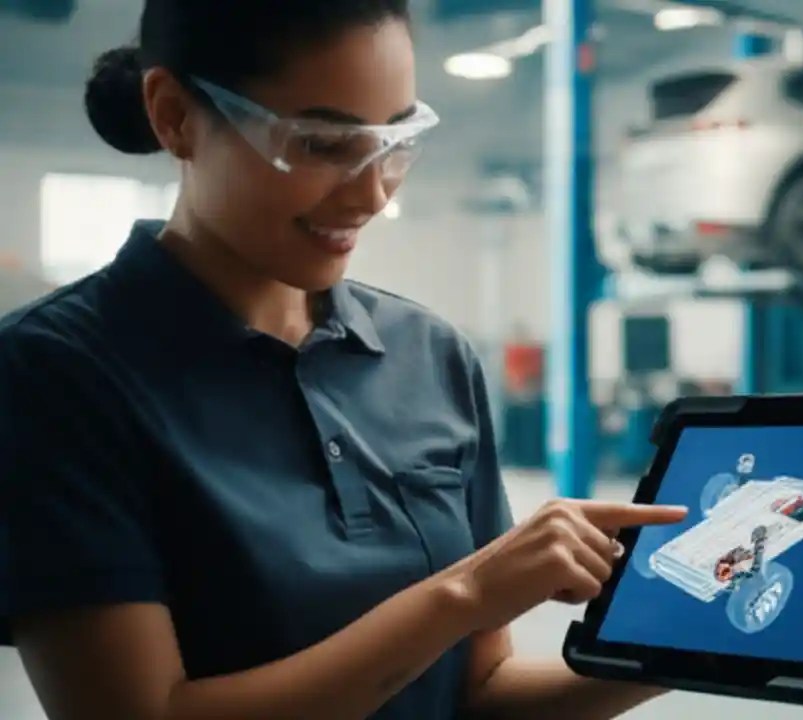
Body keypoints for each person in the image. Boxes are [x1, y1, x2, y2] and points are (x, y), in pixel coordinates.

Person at [0, 2, 688, 719]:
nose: (373, 192)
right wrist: (461, 597)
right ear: (174, 115)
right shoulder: (57, 374)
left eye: (395, 140)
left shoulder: (432, 358)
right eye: (322, 144)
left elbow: (477, 694)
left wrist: (697, 648)